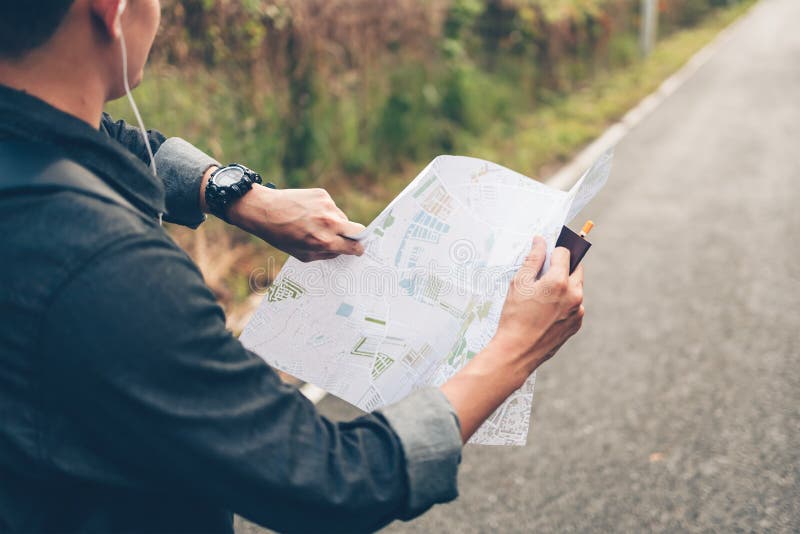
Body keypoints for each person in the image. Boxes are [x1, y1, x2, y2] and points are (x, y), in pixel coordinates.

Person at [0, 1, 585, 532]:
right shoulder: (109, 272)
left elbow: (100, 138)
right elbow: (330, 482)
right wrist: (514, 349)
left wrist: (235, 194)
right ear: (110, 10)